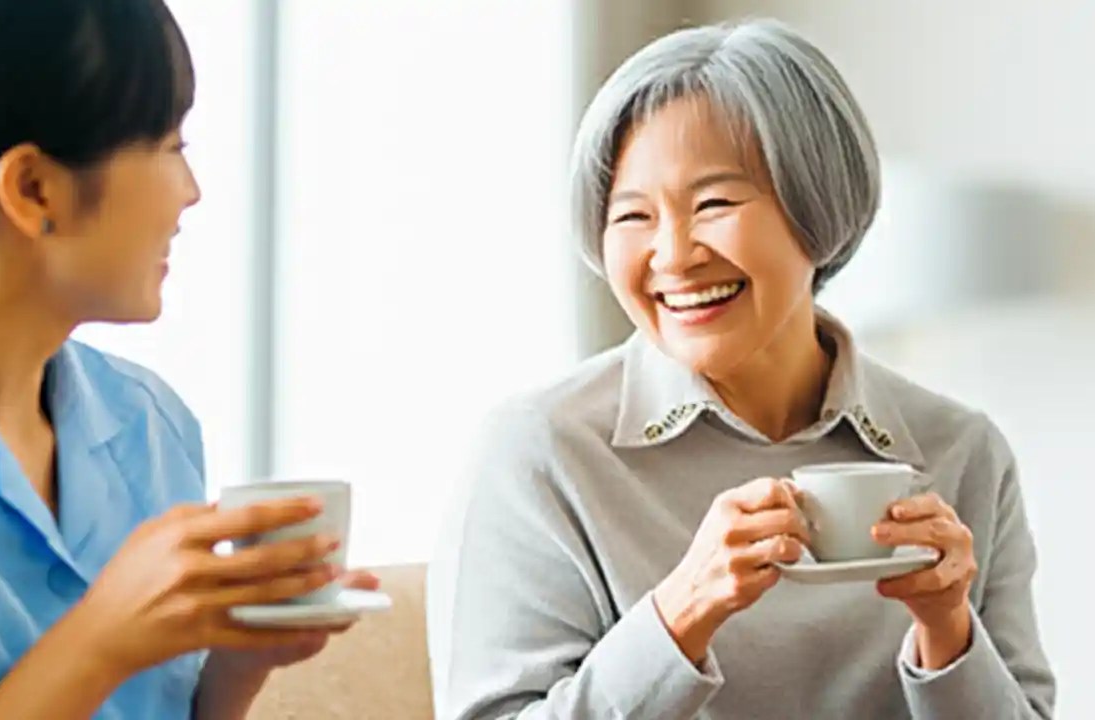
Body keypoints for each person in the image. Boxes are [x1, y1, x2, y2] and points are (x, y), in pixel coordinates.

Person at [427, 19, 1054, 719]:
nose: (673, 255)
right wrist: (680, 614)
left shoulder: (960, 451)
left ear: (818, 207)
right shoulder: (541, 451)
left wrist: (947, 632)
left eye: (714, 204)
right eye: (632, 216)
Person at [0, 1, 375, 717]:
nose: (191, 193)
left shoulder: (149, 425)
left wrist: (237, 666)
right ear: (33, 189)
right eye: (170, 147)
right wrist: (104, 640)